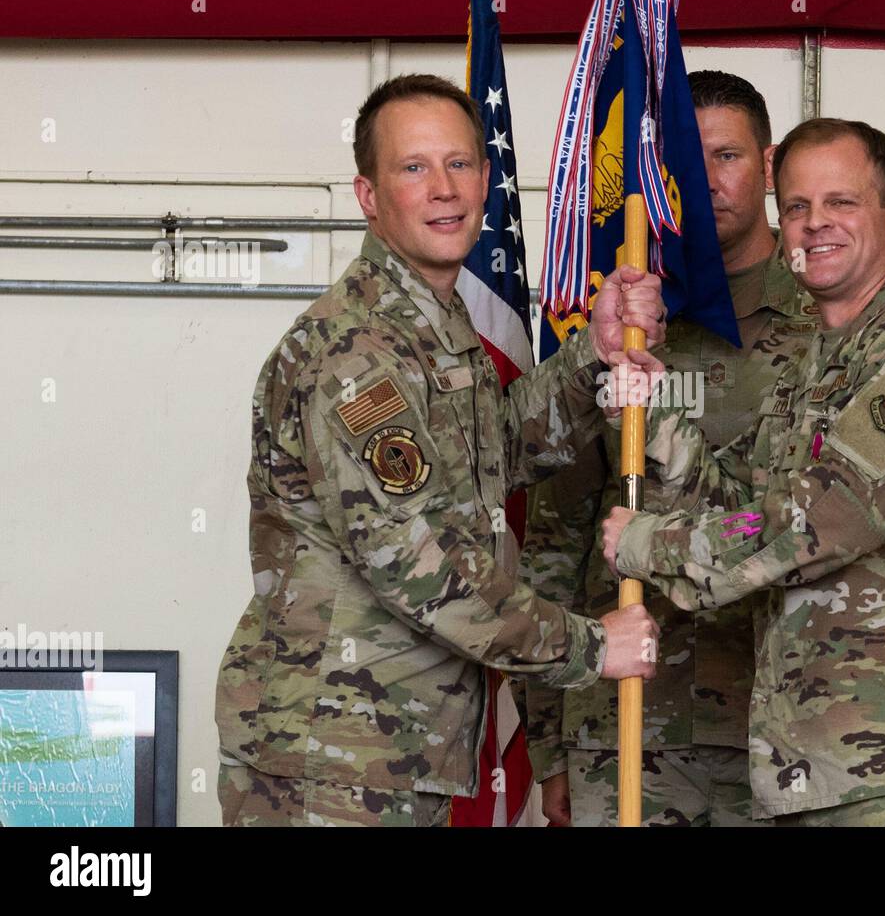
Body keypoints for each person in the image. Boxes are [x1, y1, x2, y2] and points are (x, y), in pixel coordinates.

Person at [214, 74, 664, 827]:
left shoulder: (434, 322)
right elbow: (424, 564)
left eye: (459, 164)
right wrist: (592, 647)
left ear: (487, 180)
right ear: (368, 194)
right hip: (330, 757)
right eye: (413, 168)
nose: (443, 189)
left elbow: (498, 457)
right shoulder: (355, 349)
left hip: (392, 750)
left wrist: (596, 353)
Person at [601, 117, 885, 826]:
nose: (814, 224)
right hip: (819, 770)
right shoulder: (813, 370)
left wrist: (652, 544)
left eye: (841, 203)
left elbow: (818, 519)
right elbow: (741, 505)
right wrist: (647, 414)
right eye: (796, 207)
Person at [522, 71, 817, 826]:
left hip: (779, 729)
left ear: (771, 163)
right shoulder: (626, 326)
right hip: (624, 725)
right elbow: (555, 536)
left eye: (728, 157)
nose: (709, 181)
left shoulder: (827, 329)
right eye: (690, 162)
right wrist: (550, 745)